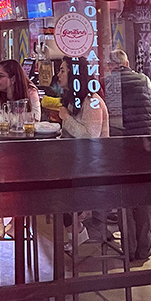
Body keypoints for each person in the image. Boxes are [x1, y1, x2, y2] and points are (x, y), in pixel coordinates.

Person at [105, 48, 151, 264]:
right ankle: (144, 248)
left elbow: (109, 114)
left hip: (121, 143)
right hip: (145, 143)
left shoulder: (108, 82)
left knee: (125, 197)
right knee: (144, 196)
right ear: (126, 63)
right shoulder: (143, 79)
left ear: (111, 65)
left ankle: (129, 247)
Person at [57, 56, 110, 246]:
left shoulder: (91, 101)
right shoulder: (75, 100)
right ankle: (76, 232)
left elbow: (90, 137)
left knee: (61, 195)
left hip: (91, 169)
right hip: (76, 165)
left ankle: (78, 232)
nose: (58, 74)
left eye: (63, 70)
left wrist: (66, 118)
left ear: (74, 74)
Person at [0, 58, 40, 128]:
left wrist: (3, 119)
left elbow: (36, 117)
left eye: (1, 76)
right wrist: (21, 117)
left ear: (13, 79)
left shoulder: (30, 91)